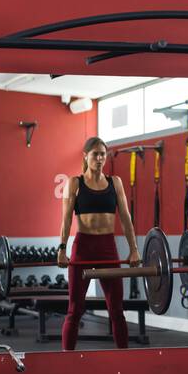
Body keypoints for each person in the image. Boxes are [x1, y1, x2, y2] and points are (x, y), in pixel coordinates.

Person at [57, 137, 141, 350]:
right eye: (95, 154)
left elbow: (125, 218)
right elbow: (66, 220)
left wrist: (134, 250)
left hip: (107, 247)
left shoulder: (116, 182)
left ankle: (124, 358)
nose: (100, 158)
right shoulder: (75, 183)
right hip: (83, 247)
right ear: (86, 156)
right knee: (75, 309)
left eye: (103, 154)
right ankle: (67, 358)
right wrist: (61, 249)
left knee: (116, 309)